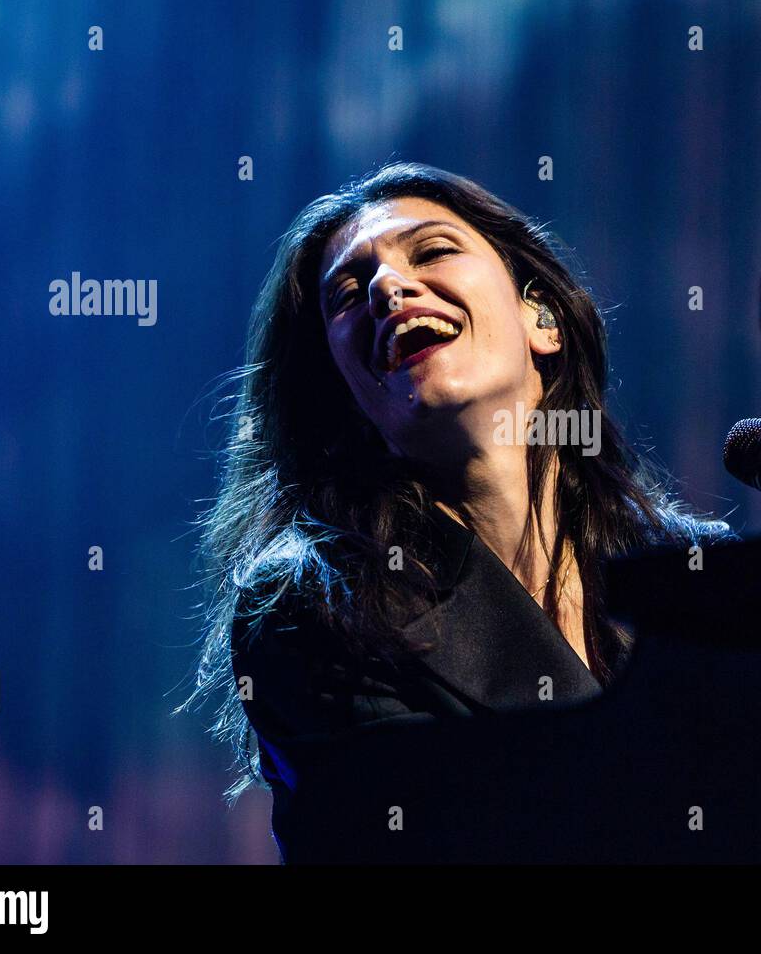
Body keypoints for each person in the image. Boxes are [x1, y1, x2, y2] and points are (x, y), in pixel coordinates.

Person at [185, 162, 732, 861]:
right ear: (348, 399)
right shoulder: (315, 607)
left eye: (433, 250)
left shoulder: (698, 576)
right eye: (348, 294)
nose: (387, 287)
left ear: (544, 321)